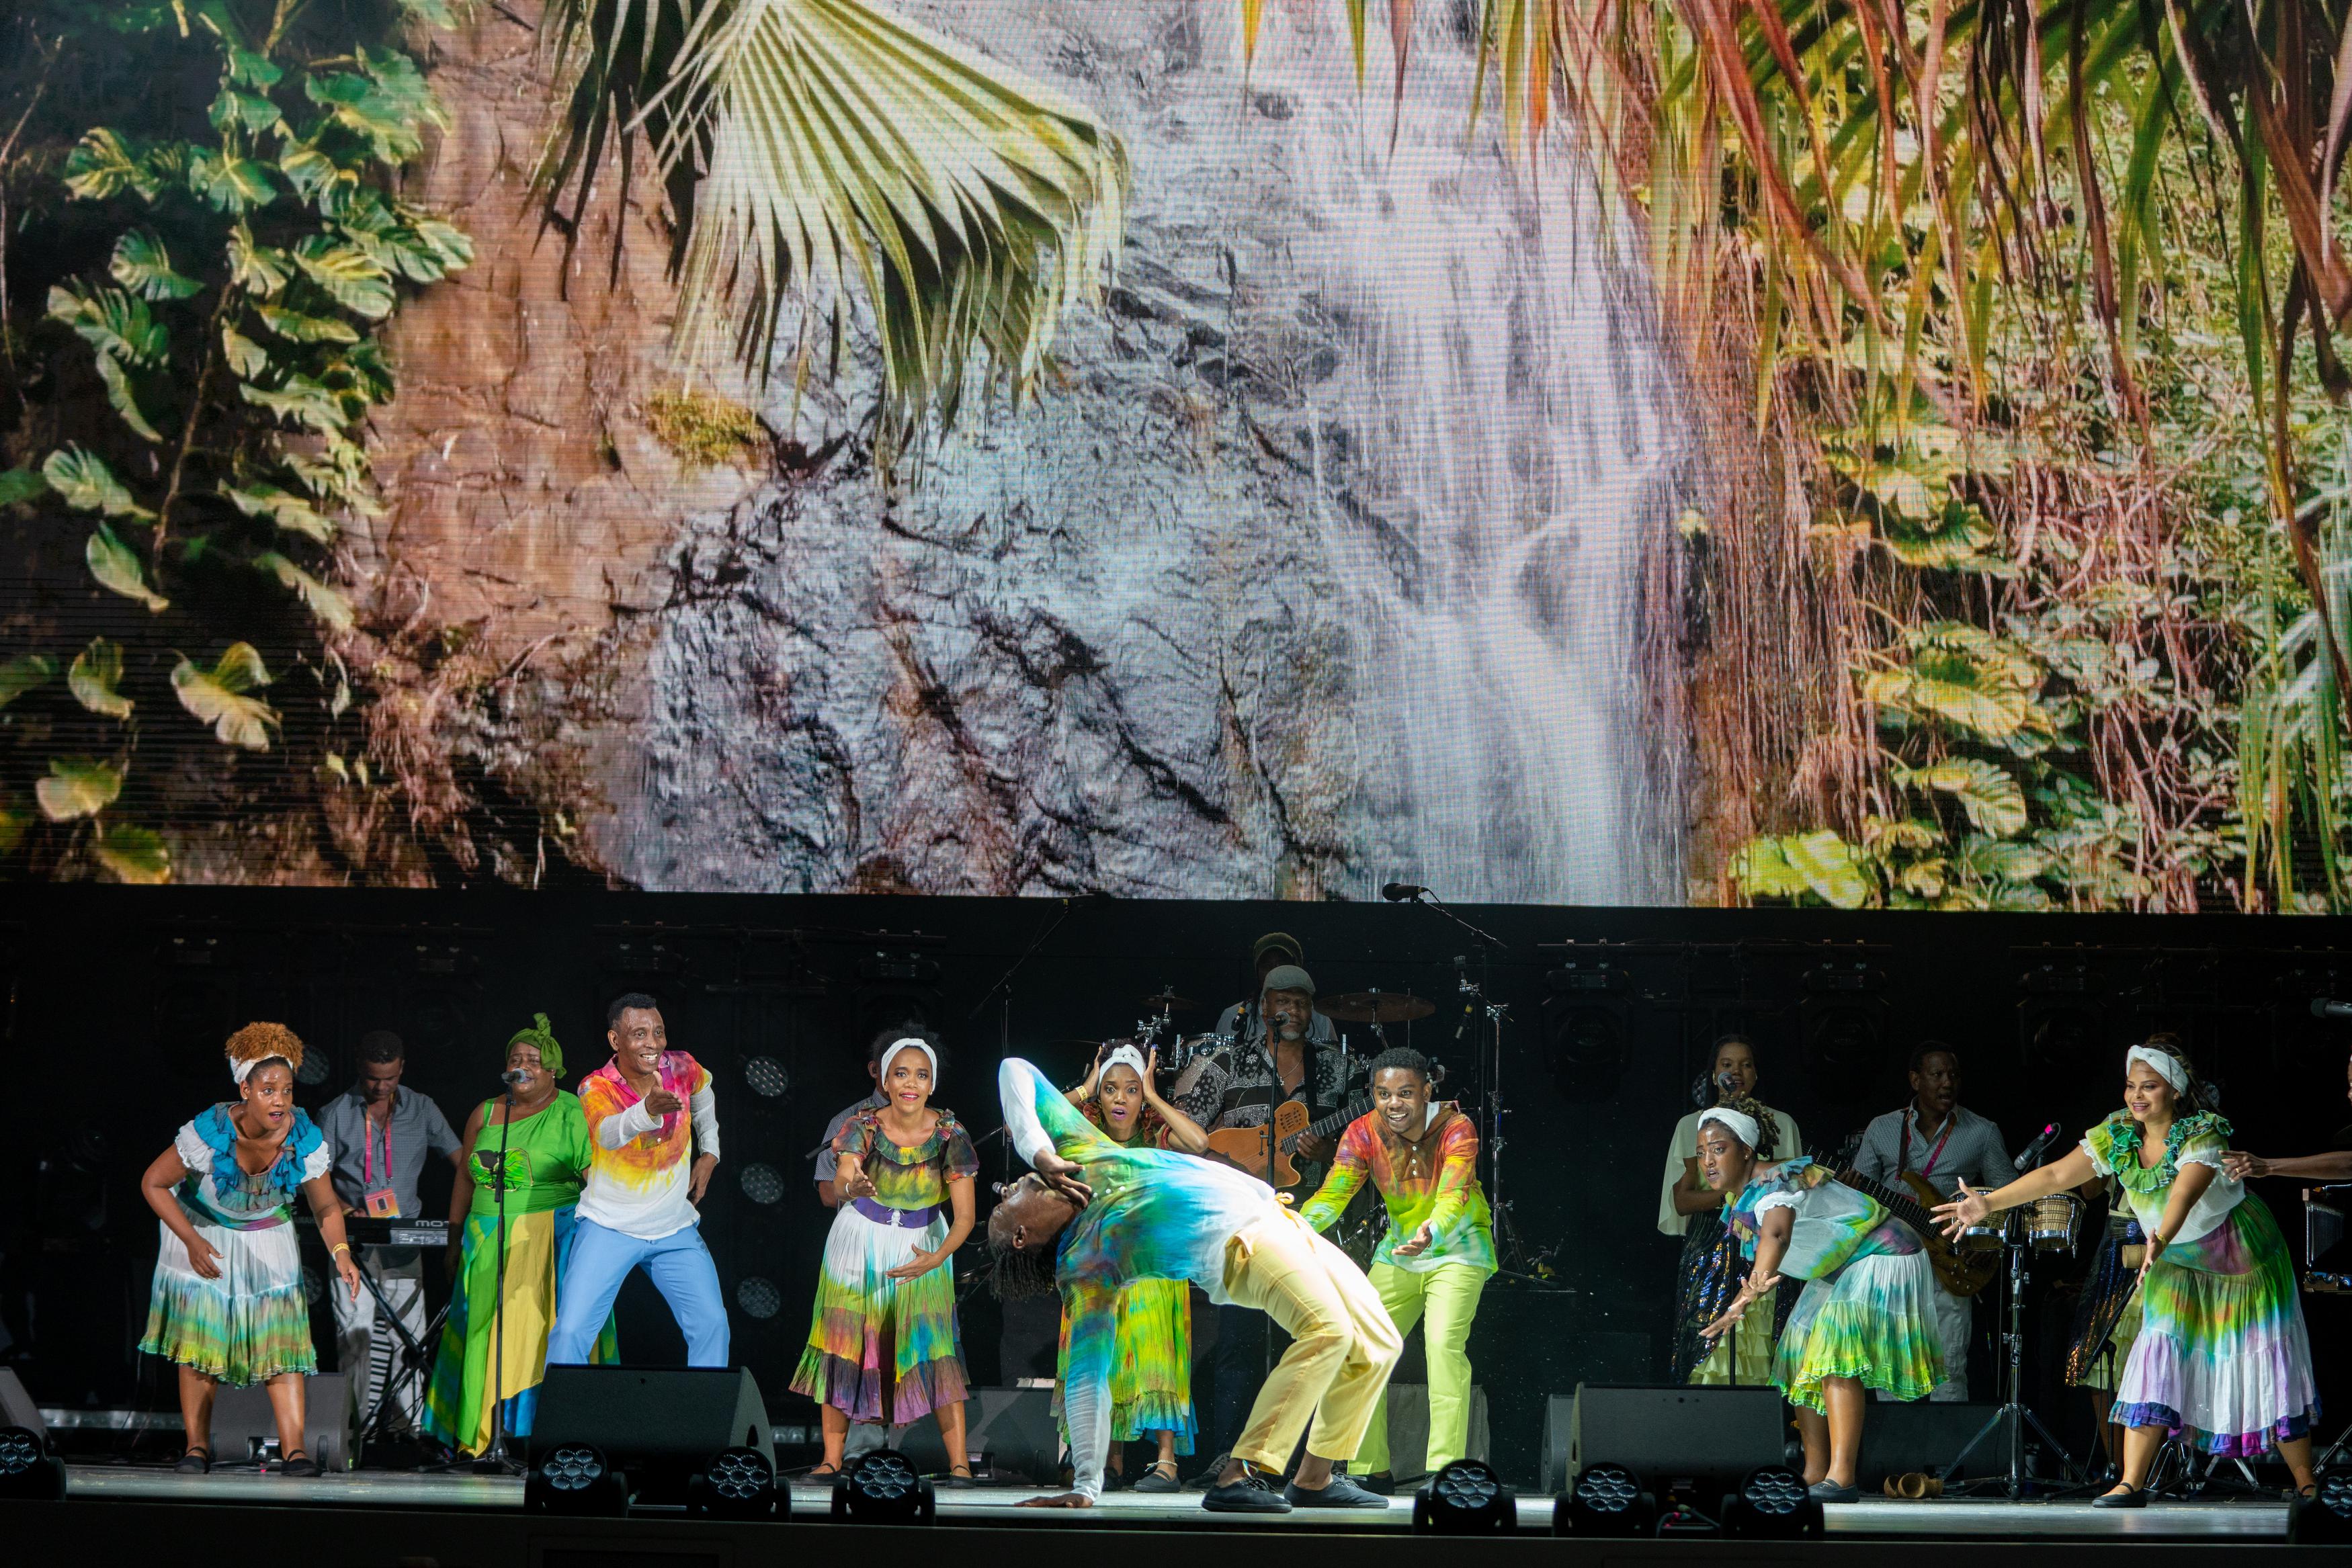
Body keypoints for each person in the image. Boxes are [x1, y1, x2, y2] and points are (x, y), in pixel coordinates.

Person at [989, 1055, 1399, 1514]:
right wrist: (1086, 1483)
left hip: (1281, 1219)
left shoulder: (1076, 1153)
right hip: (1241, 1244)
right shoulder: (1084, 1268)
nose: (1007, 1188)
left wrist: (1036, 1149)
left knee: (1378, 1342)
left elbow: (1015, 1069)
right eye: (1004, 1202)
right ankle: (1240, 1473)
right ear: (1020, 1236)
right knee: (1329, 1331)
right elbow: (1088, 1378)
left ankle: (1315, 1478)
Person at [1935, 1036, 2321, 1506]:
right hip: (2174, 1256)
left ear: (2175, 1091)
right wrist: (1988, 1204)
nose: (2137, 1096)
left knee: (2260, 1357)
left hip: (2240, 1257)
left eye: (2150, 1086)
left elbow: (2184, 1195)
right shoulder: (2118, 1133)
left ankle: (2306, 1482)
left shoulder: (2202, 1133)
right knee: (2155, 1352)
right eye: (2131, 1085)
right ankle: (2131, 1482)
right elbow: (2058, 1175)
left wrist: (2159, 1235)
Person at [138, 1023, 362, 1476]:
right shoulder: (211, 1131)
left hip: (267, 1233)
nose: (280, 1100)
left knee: (282, 1340)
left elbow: (325, 1207)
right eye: (268, 1090)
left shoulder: (303, 1138)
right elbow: (154, 1183)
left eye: (287, 1090)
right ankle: (197, 1447)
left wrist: (341, 1252)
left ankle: (294, 1450)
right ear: (245, 1089)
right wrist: (192, 1240)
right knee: (201, 1343)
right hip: (205, 1230)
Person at [1170, 961, 1363, 1476]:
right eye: (1284, 1000)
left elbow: (1361, 1144)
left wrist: (1325, 1150)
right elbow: (1179, 1133)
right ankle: (1230, 1455)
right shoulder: (1226, 1063)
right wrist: (1226, 1170)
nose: (1293, 1010)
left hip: (1311, 1221)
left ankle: (1316, 1464)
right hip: (1244, 1223)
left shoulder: (1337, 1071)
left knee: (1320, 1336)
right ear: (1264, 1007)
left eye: (1302, 1001)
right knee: (1240, 1340)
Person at [1700, 1096, 1943, 1503]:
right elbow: (1769, 1252)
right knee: (1796, 1349)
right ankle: (1813, 1473)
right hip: (1841, 1263)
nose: (1708, 1160)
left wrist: (1743, 1300)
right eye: (1702, 1152)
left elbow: (1777, 1236)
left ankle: (1842, 1477)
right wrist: (1740, 1300)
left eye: (1719, 1149)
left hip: (1884, 1251)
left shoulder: (1776, 1183)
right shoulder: (1743, 1200)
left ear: (1746, 1150)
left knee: (1834, 1347)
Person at [421, 1015, 618, 1456]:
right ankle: (486, 1435)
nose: (523, 1066)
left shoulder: (574, 1111)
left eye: (534, 1060)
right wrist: (454, 1241)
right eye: (516, 1059)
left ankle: (548, 1435)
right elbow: (464, 1182)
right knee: (484, 1333)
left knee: (542, 1334)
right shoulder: (487, 1113)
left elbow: (597, 1180)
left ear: (553, 1071)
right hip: (487, 1236)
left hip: (552, 1236)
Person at [1298, 1046, 1493, 1488]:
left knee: (1443, 1346)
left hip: (1458, 1250)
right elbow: (1334, 1195)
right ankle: (1370, 1468)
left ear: (1427, 1090)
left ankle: (1448, 1470)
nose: (1395, 1104)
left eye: (1405, 1093)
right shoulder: (1363, 1132)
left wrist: (1431, 1231)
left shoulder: (1456, 1127)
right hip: (1399, 1253)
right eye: (1384, 1094)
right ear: (1373, 1095)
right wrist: (1297, 1227)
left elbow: (1454, 1195)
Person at [790, 1027, 978, 1479]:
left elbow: (966, 1218)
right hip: (861, 1239)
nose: (910, 1083)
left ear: (932, 1083)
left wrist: (936, 1259)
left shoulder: (951, 1133)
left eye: (920, 1074)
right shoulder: (863, 1126)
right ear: (886, 1082)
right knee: (845, 1342)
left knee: (935, 1346)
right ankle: (832, 1459)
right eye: (901, 1074)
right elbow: (841, 1180)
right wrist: (851, 1185)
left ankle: (959, 1463)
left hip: (924, 1244)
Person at [1053, 1040, 1212, 1492]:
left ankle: (1166, 1463)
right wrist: (1084, 1088)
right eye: (1110, 1090)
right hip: (1097, 1264)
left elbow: (1199, 1143)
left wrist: (1156, 1094)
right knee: (1106, 1363)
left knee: (1155, 1357)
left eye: (1130, 1090)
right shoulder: (1083, 1140)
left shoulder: (1159, 1138)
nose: (1120, 1098)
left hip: (1151, 1266)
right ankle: (1110, 1461)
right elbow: (1029, 1124)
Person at [546, 994, 728, 1369]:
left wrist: (710, 1152)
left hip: (673, 1230)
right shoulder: (595, 1087)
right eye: (640, 1034)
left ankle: (706, 1423)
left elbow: (704, 1092)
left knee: (713, 1325)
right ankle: (561, 1427)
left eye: (658, 1032)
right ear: (616, 1041)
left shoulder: (680, 1066)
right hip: (608, 1227)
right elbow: (609, 1135)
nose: (653, 1043)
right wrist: (645, 1112)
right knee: (570, 1333)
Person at [317, 1029, 464, 1437]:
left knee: (409, 1335)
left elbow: (463, 1163)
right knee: (355, 1334)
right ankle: (356, 1432)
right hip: (352, 1241)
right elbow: (314, 1180)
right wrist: (345, 1209)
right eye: (372, 1079)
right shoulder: (334, 1114)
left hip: (405, 1238)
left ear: (402, 1069)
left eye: (390, 1078)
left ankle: (408, 1432)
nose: (381, 1087)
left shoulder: (423, 1108)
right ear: (359, 1071)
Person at [1850, 1044, 2009, 1401]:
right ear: (1915, 1079)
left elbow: (2008, 1195)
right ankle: (1892, 1456)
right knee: (1887, 1365)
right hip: (1890, 1261)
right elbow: (1858, 1200)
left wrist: (1988, 1243)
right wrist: (1848, 1190)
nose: (1947, 1083)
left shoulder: (1982, 1131)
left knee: (1949, 1368)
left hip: (1951, 1259)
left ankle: (1946, 1458)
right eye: (1937, 1075)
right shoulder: (1883, 1128)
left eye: (1953, 1075)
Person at [1658, 1035, 1802, 1385]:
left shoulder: (1781, 1123)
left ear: (1756, 1074)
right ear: (1712, 1075)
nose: (1736, 1072)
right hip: (1711, 1241)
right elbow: (1683, 1201)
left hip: (1767, 1234)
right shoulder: (1691, 1125)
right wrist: (1732, 1197)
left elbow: (1795, 1186)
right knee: (1709, 1345)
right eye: (1726, 1065)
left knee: (1764, 1340)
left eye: (1745, 1064)